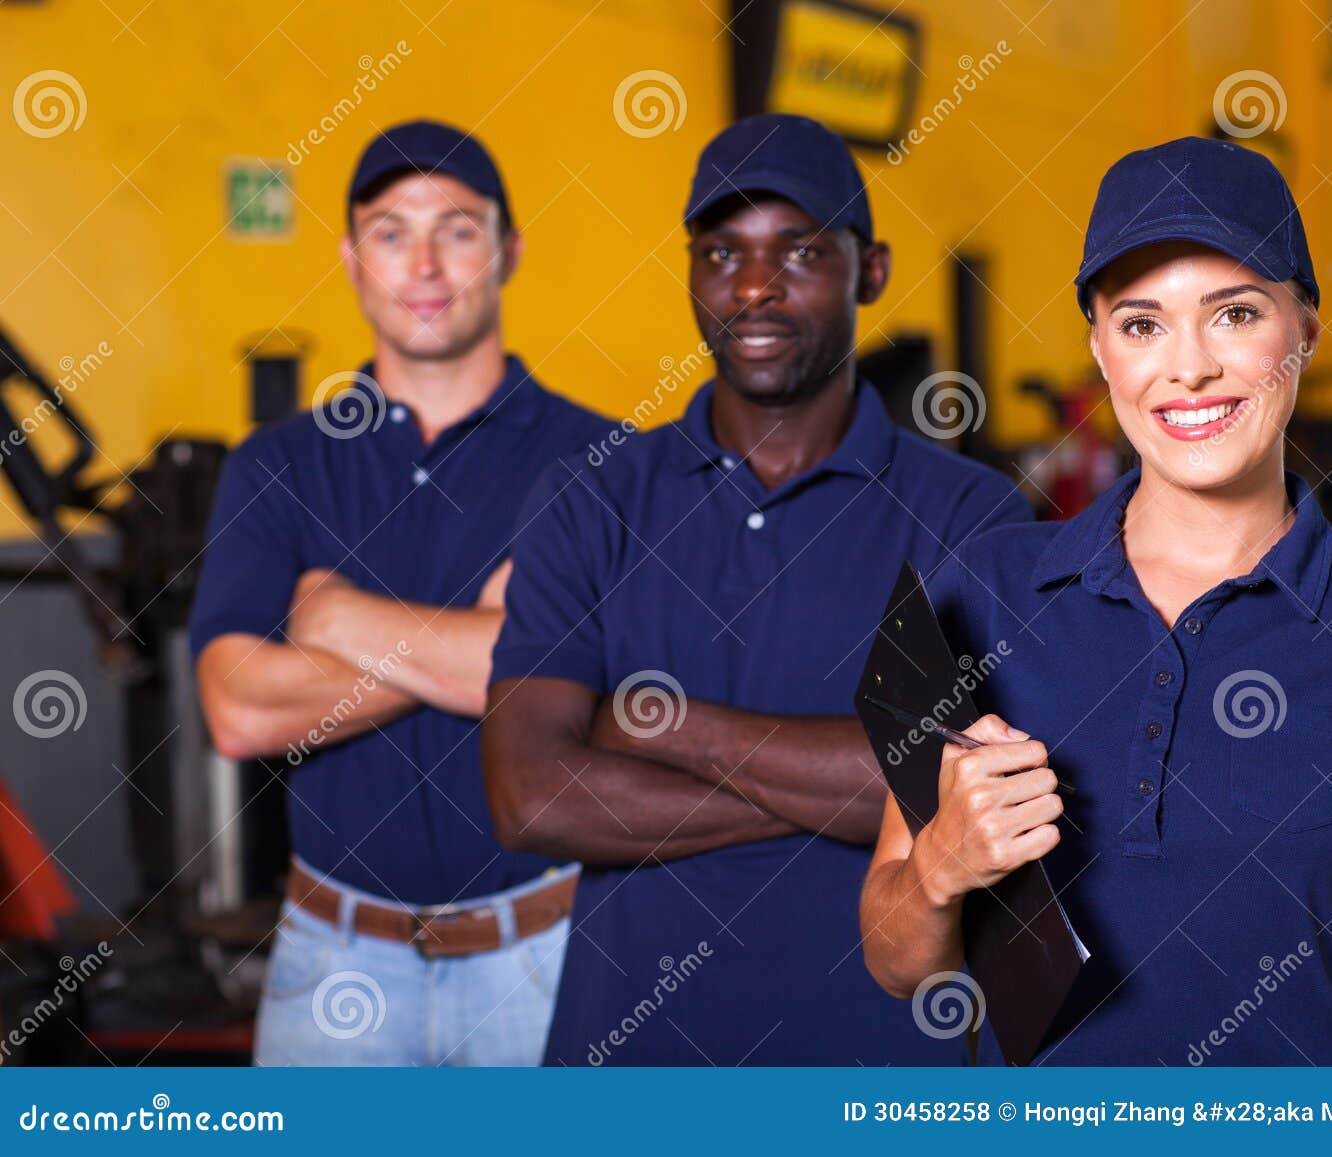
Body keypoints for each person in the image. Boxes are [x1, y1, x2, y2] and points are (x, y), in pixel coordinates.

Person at [859, 137, 1332, 1066]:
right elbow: (895, 961)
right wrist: (943, 865)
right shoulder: (983, 593)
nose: (1188, 368)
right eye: (1142, 324)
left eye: (1234, 313)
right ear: (1100, 349)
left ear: (1302, 329)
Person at [481, 114, 1033, 1066]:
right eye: (721, 252)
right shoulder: (592, 495)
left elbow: (971, 795)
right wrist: (855, 784)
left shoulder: (974, 517)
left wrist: (658, 723)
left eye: (801, 250)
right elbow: (531, 795)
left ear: (872, 271)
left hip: (882, 1066)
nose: (754, 286)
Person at [190, 120, 613, 1066]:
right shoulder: (279, 465)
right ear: (350, 258)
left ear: (508, 250)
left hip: (543, 959)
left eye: (458, 228)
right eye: (391, 231)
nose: (424, 263)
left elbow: (600, 698)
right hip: (330, 966)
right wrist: (496, 645)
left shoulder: (601, 464)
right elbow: (239, 711)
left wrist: (338, 620)